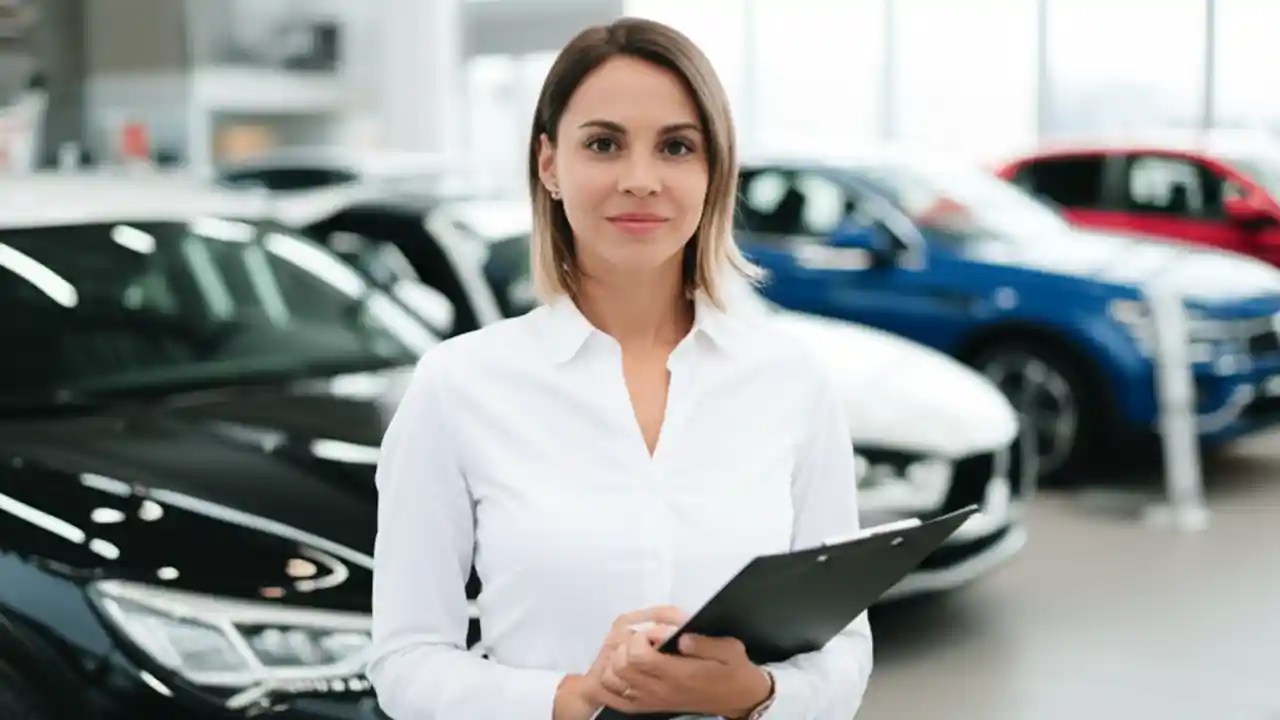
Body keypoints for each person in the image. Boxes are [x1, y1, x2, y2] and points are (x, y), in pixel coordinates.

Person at [368, 17, 873, 720]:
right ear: (549, 164)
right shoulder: (458, 387)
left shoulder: (790, 379)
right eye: (604, 144)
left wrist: (755, 695)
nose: (641, 180)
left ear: (713, 169)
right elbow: (405, 663)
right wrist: (571, 700)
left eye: (676, 146)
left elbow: (844, 651)